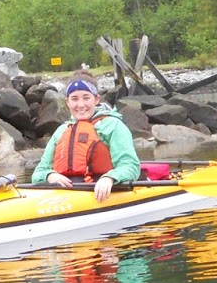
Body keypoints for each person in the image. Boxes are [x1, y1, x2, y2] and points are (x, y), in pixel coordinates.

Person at [31, 73, 142, 202]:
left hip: (104, 191)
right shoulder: (62, 131)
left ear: (96, 99)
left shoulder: (113, 126)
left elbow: (131, 166)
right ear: (67, 102)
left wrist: (109, 178)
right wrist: (50, 176)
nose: (81, 105)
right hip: (66, 194)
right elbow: (38, 173)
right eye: (74, 99)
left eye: (86, 98)